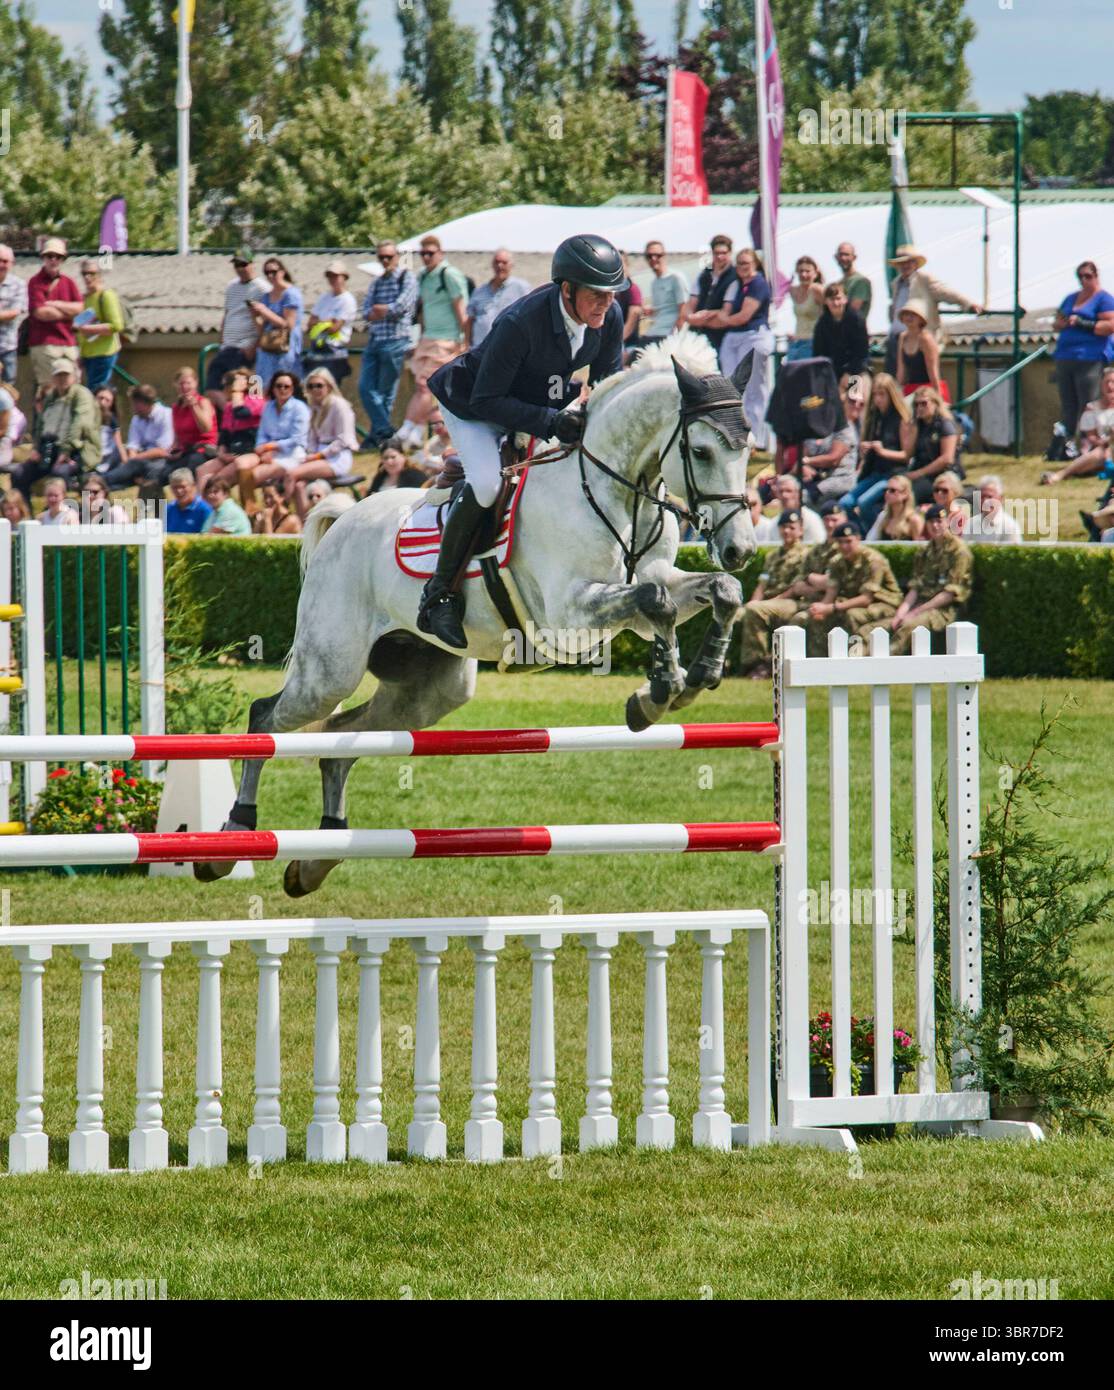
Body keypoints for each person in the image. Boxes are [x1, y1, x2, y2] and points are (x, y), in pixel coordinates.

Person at [422, 233, 626, 646]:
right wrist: (551, 423)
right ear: (567, 290)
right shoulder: (520, 323)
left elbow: (607, 385)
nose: (607, 303)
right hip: (474, 406)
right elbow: (488, 398)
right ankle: (438, 595)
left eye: (611, 293)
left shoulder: (610, 318)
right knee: (487, 484)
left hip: (535, 402)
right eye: (597, 295)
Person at [691, 247, 772, 445]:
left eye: (746, 263)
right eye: (740, 263)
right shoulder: (736, 285)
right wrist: (711, 317)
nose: (742, 267)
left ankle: (757, 439)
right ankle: (735, 433)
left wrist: (709, 318)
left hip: (753, 335)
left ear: (755, 264)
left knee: (754, 389)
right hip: (734, 338)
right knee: (731, 388)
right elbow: (725, 313)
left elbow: (742, 316)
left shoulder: (759, 284)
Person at [397, 235, 469, 450]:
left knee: (425, 385)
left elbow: (462, 311)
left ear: (441, 253)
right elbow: (421, 311)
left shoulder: (450, 275)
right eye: (423, 253)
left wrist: (464, 341)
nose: (426, 257)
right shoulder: (422, 277)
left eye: (431, 253)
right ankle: (416, 430)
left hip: (447, 340)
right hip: (427, 338)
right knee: (425, 387)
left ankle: (406, 429)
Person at [790, 521, 902, 655]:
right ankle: (820, 660)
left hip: (884, 604)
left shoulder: (873, 560)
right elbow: (831, 593)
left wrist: (831, 608)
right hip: (852, 603)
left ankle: (853, 657)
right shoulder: (837, 562)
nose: (844, 546)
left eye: (848, 541)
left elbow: (866, 598)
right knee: (817, 618)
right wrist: (821, 609)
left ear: (858, 539)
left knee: (852, 615)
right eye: (840, 542)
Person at [876, 505, 973, 653]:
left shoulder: (959, 552)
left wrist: (915, 612)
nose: (935, 525)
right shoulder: (924, 551)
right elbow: (915, 588)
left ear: (947, 521)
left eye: (939, 521)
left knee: (909, 625)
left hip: (944, 609)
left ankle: (885, 665)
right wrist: (901, 613)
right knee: (885, 624)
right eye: (930, 522)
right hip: (920, 604)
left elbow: (950, 594)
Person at [860, 386, 959, 527]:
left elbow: (946, 459)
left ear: (935, 403)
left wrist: (918, 473)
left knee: (906, 494)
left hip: (941, 474)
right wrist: (910, 428)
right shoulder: (919, 425)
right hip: (918, 472)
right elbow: (909, 454)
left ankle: (907, 529)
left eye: (924, 403)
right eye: (916, 404)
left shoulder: (945, 424)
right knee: (891, 492)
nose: (920, 407)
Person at [10, 359, 99, 501]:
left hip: (77, 452)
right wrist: (37, 448)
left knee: (59, 474)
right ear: (53, 378)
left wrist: (65, 451)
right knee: (19, 473)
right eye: (59, 375)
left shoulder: (82, 395)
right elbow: (40, 425)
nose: (62, 379)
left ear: (74, 376)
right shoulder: (51, 397)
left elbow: (79, 425)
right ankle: (27, 516)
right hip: (49, 450)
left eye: (66, 375)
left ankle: (63, 516)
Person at [359, 241, 419, 451]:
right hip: (376, 339)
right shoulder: (376, 282)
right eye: (381, 257)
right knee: (365, 388)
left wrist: (380, 310)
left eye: (389, 257)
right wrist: (379, 310)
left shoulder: (406, 277)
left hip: (396, 339)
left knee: (385, 393)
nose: (385, 261)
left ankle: (377, 437)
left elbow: (404, 306)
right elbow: (365, 310)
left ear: (397, 256)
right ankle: (386, 431)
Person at [886, 244, 981, 374]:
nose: (905, 265)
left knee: (921, 379)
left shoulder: (925, 280)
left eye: (909, 262)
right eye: (901, 263)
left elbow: (947, 293)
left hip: (918, 340)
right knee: (894, 380)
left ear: (915, 264)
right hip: (897, 339)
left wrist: (968, 304)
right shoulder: (896, 283)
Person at [739, 509, 812, 677]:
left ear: (801, 530)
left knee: (756, 610)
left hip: (794, 602)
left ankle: (758, 664)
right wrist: (753, 602)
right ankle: (727, 663)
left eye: (792, 527)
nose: (786, 531)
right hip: (771, 602)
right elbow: (762, 585)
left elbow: (795, 588)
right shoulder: (772, 556)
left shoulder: (806, 555)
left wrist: (765, 604)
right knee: (738, 613)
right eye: (783, 527)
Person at [1051, 261, 1114, 437]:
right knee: (1068, 403)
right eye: (1080, 276)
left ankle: (1089, 442)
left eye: (1088, 276)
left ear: (1096, 276)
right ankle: (1068, 443)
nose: (1084, 280)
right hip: (1065, 356)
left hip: (1089, 358)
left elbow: (1110, 326)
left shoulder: (1104, 299)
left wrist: (1082, 323)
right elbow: (1056, 323)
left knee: (1087, 403)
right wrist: (1061, 323)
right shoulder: (1071, 298)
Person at [839, 373, 912, 525]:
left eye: (882, 394)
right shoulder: (874, 419)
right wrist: (865, 449)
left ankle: (876, 533)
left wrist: (882, 451)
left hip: (892, 474)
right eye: (875, 395)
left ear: (891, 395)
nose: (878, 399)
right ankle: (859, 533)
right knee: (845, 503)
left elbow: (906, 455)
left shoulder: (902, 419)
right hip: (874, 472)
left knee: (864, 502)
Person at [235, 370, 310, 510]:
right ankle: (251, 511)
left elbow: (297, 439)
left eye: (286, 386)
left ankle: (266, 512)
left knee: (253, 475)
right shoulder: (268, 406)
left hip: (291, 454)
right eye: (278, 385)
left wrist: (271, 447)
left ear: (292, 389)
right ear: (273, 388)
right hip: (268, 452)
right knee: (241, 464)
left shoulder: (300, 408)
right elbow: (262, 433)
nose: (282, 389)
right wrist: (262, 448)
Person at [288, 366, 360, 509]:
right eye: (311, 386)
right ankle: (304, 525)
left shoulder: (339, 405)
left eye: (319, 386)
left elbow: (343, 440)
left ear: (329, 386)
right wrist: (311, 454)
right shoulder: (314, 408)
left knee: (292, 474)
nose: (315, 390)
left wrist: (318, 456)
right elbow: (312, 440)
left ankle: (281, 504)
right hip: (320, 456)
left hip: (338, 457)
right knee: (299, 485)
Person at [205, 249, 268, 408]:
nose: (240, 268)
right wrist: (221, 340)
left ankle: (245, 420)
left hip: (245, 349)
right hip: (227, 347)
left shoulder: (263, 288)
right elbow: (228, 314)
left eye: (243, 264)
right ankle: (231, 416)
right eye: (237, 265)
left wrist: (254, 347)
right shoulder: (231, 286)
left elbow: (266, 322)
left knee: (247, 390)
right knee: (212, 388)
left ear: (252, 264)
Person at [26, 238, 83, 394]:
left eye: (57, 256)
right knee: (48, 390)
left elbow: (80, 308)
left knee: (74, 389)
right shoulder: (35, 282)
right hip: (45, 343)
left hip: (68, 342)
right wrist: (68, 312)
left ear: (62, 259)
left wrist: (56, 304)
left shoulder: (69, 282)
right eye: (49, 256)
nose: (53, 260)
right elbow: (41, 313)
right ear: (43, 258)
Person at [195, 368, 266, 492]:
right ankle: (202, 509)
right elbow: (225, 435)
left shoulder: (256, 400)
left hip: (250, 452)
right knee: (202, 471)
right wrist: (221, 453)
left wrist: (236, 392)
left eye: (225, 386)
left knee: (217, 480)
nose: (223, 390)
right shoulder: (229, 406)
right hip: (232, 453)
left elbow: (242, 413)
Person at [799, 377, 863, 505]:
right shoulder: (821, 425)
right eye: (852, 401)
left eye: (861, 403)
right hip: (819, 478)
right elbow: (805, 451)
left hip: (839, 480)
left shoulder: (846, 428)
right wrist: (804, 466)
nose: (856, 405)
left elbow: (833, 459)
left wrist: (806, 462)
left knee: (802, 498)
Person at [159, 366, 218, 494]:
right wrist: (172, 451)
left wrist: (194, 407)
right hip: (185, 452)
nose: (184, 387)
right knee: (160, 475)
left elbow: (206, 429)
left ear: (195, 383)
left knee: (188, 470)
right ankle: (157, 511)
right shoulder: (176, 408)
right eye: (181, 383)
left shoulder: (204, 402)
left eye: (188, 383)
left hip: (203, 450)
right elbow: (177, 438)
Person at [103, 384, 174, 491]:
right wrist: (133, 459)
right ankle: (103, 486)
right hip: (140, 461)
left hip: (160, 462)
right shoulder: (136, 419)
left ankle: (100, 480)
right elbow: (133, 445)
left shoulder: (166, 415)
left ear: (143, 402)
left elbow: (162, 451)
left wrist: (134, 459)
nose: (133, 407)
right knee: (127, 474)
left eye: (135, 403)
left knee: (137, 467)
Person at [682, 234, 737, 361]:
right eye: (716, 253)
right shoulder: (704, 275)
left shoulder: (735, 277)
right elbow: (691, 303)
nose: (719, 257)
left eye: (723, 253)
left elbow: (727, 310)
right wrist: (691, 317)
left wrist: (705, 316)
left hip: (722, 335)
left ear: (730, 253)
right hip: (699, 335)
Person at [251, 257, 304, 388]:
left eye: (273, 272)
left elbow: (288, 325)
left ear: (282, 271)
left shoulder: (291, 294)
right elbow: (261, 328)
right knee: (259, 387)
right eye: (267, 273)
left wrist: (264, 311)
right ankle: (259, 407)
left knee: (282, 385)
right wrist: (254, 315)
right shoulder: (266, 296)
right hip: (266, 349)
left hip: (284, 350)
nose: (270, 276)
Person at [303, 262, 357, 385]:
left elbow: (334, 328)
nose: (332, 279)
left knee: (329, 390)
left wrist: (322, 323)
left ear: (344, 277)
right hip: (316, 350)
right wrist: (327, 321)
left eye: (336, 276)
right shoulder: (324, 297)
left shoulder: (348, 300)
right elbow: (310, 324)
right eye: (330, 276)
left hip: (334, 352)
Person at [76, 260, 125, 392]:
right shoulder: (85, 298)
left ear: (99, 275)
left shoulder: (106, 295)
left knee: (98, 392)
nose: (87, 277)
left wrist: (89, 329)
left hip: (104, 353)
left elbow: (117, 326)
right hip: (88, 354)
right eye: (84, 274)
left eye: (92, 273)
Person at [465, 250, 530, 350]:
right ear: (492, 265)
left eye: (504, 262)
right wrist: (466, 346)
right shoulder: (479, 291)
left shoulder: (522, 288)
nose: (500, 265)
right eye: (497, 262)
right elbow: (470, 320)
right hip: (479, 351)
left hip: (508, 350)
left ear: (511, 265)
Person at [812, 281, 870, 382]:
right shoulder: (821, 324)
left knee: (855, 397)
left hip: (857, 372)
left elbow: (861, 353)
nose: (835, 303)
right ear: (825, 301)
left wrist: (849, 374)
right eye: (831, 299)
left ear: (845, 299)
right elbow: (818, 354)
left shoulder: (857, 320)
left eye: (838, 298)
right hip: (831, 374)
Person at [895, 299, 947, 400]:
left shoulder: (925, 338)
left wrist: (938, 400)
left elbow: (933, 371)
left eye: (913, 314)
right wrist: (897, 394)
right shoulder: (902, 337)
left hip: (929, 390)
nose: (909, 317)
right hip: (911, 390)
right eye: (906, 314)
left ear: (920, 319)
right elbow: (901, 370)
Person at [640, 241, 688, 347]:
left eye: (658, 255)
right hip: (654, 332)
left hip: (668, 335)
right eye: (649, 256)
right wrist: (651, 310)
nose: (653, 259)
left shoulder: (676, 278)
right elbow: (662, 309)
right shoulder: (654, 283)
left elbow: (684, 311)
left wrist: (675, 340)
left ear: (664, 256)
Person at [864, 472, 924, 542]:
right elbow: (870, 541)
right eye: (885, 490)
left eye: (892, 490)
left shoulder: (914, 520)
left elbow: (920, 547)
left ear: (905, 494)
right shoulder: (883, 516)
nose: (887, 493)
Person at [786, 257, 824, 361]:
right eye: (801, 271)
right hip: (796, 343)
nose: (804, 275)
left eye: (807, 271)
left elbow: (828, 317)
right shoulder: (794, 291)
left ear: (815, 273)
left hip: (812, 342)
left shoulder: (818, 290)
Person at [0, 244, 28, 386]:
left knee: (8, 390)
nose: (1, 264)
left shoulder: (19, 284)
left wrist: (7, 314)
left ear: (12, 263)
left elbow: (15, 312)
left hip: (7, 347)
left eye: (5, 261)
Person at [967, 474, 1022, 543]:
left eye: (990, 497)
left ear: (1001, 499)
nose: (985, 501)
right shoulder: (971, 524)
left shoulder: (1010, 526)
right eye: (982, 496)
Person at [770, 473, 825, 542]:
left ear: (798, 493)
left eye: (789, 491)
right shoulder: (773, 524)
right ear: (776, 494)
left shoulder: (812, 519)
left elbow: (818, 544)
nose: (784, 495)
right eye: (781, 491)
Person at [164, 468, 214, 534]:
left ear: (193, 486)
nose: (179, 491)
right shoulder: (168, 509)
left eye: (182, 487)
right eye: (175, 487)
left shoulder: (205, 510)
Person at [927, 470, 970, 537]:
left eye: (945, 490)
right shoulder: (929, 510)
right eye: (936, 490)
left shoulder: (960, 516)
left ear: (955, 492)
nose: (939, 493)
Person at [93, 386, 125, 475]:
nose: (102, 402)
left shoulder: (111, 420)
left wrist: (126, 463)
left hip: (105, 460)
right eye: (100, 398)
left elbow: (119, 444)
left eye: (107, 400)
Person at [834, 243, 871, 319]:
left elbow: (853, 310)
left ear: (854, 257)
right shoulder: (837, 284)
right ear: (836, 257)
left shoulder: (861, 281)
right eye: (841, 255)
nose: (843, 258)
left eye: (846, 255)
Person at [616, 252, 644, 353]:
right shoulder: (611, 292)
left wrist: (613, 343)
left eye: (621, 264)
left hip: (629, 344)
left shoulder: (633, 290)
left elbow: (631, 322)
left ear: (627, 266)